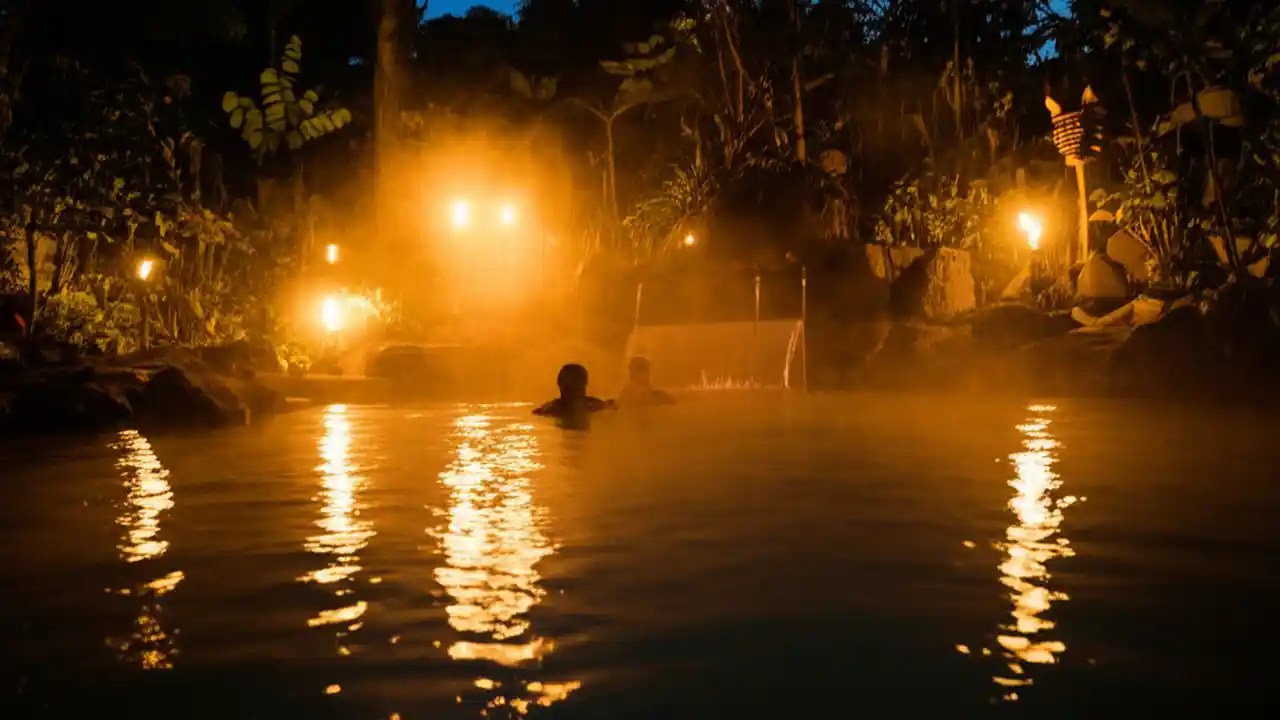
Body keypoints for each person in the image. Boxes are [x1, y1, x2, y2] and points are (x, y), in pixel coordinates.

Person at [533, 363, 614, 421]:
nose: (574, 389)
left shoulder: (548, 410)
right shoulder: (596, 406)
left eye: (577, 382)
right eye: (570, 385)